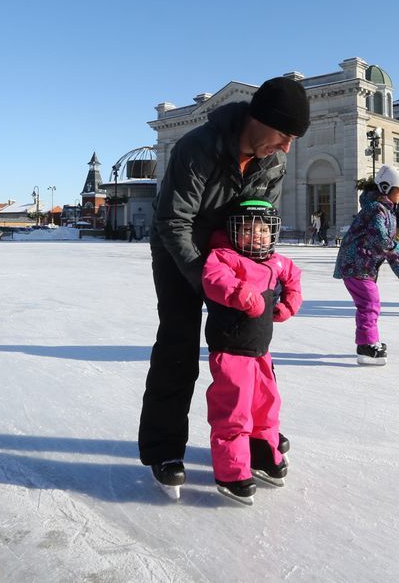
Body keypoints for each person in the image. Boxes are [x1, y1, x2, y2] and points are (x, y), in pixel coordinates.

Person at [139, 76, 310, 495]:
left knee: (247, 348)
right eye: (284, 135)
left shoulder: (274, 162)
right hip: (179, 250)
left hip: (232, 254)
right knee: (178, 343)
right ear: (260, 119)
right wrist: (205, 279)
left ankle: (252, 435)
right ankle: (163, 448)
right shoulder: (197, 147)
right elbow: (174, 221)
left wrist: (265, 279)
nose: (287, 147)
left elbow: (258, 224)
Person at [200, 197, 302, 504]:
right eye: (247, 229)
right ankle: (231, 471)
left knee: (266, 405)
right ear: (232, 232)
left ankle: (261, 453)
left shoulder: (275, 261)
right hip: (231, 349)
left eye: (262, 230)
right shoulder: (225, 256)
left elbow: (293, 276)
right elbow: (214, 278)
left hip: (260, 351)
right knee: (234, 411)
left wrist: (290, 302)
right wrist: (242, 293)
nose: (256, 236)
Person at [333, 165, 399, 365]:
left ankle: (367, 342)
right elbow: (382, 242)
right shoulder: (376, 210)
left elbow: (386, 247)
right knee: (369, 303)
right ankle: (367, 346)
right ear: (386, 188)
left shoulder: (387, 212)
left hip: (363, 265)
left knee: (369, 304)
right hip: (356, 264)